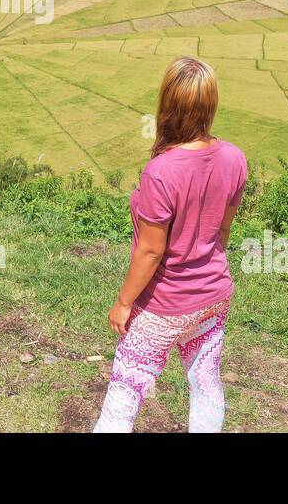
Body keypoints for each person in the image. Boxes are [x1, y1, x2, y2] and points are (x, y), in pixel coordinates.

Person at [93, 56, 247, 433]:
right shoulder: (235, 158)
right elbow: (221, 235)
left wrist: (124, 302)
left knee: (125, 392)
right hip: (213, 297)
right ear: (211, 104)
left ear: (168, 104)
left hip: (164, 306)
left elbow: (150, 251)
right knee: (205, 382)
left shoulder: (161, 172)